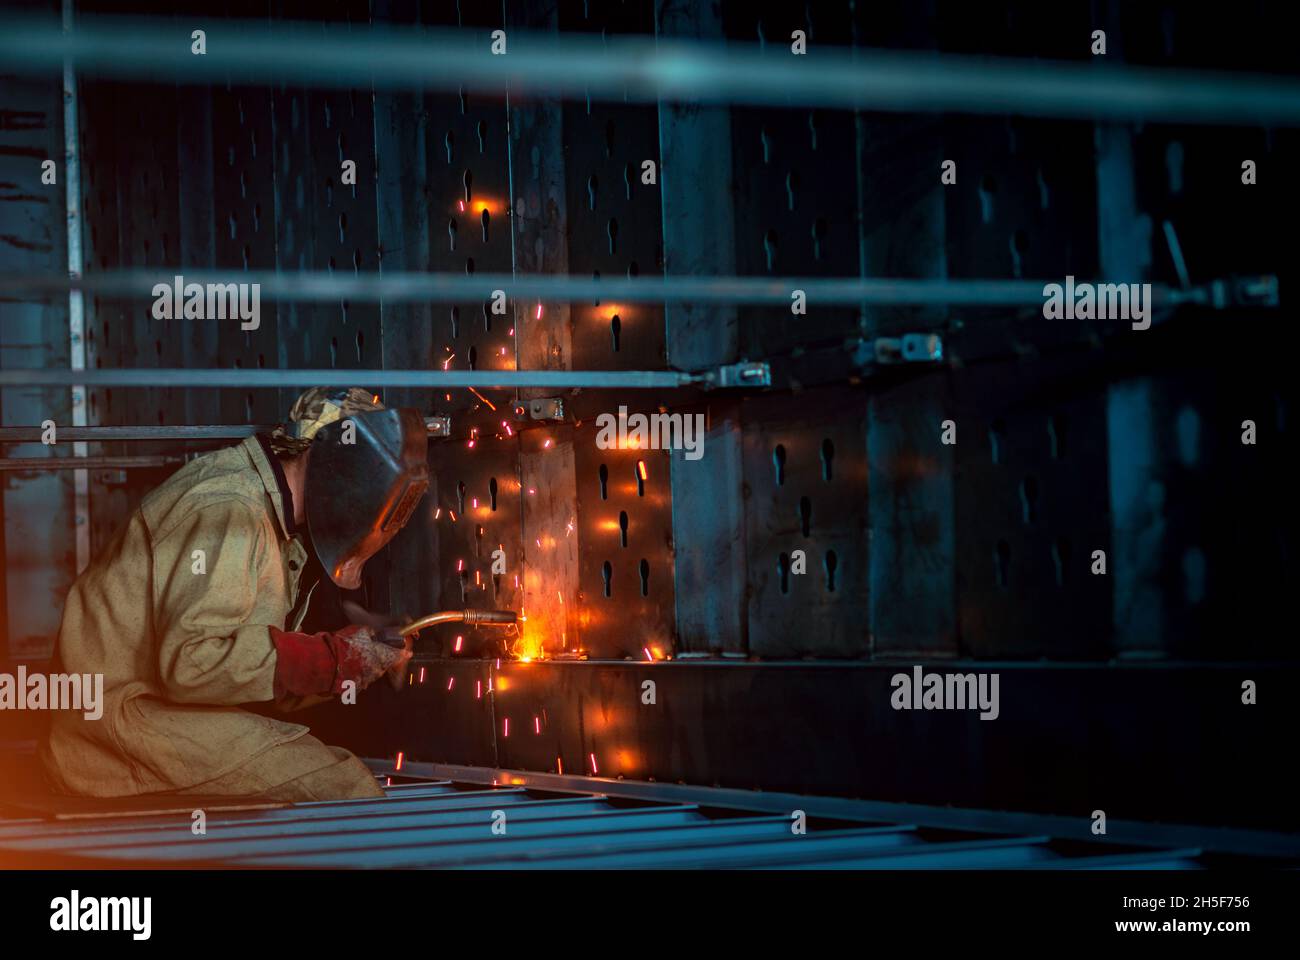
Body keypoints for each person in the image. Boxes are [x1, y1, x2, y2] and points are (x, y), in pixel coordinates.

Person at [40, 387, 430, 801]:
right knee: (343, 786)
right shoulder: (230, 510)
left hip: (142, 713)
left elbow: (245, 676)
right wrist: (328, 659)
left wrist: (349, 662)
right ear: (332, 458)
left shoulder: (269, 515)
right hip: (117, 725)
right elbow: (192, 664)